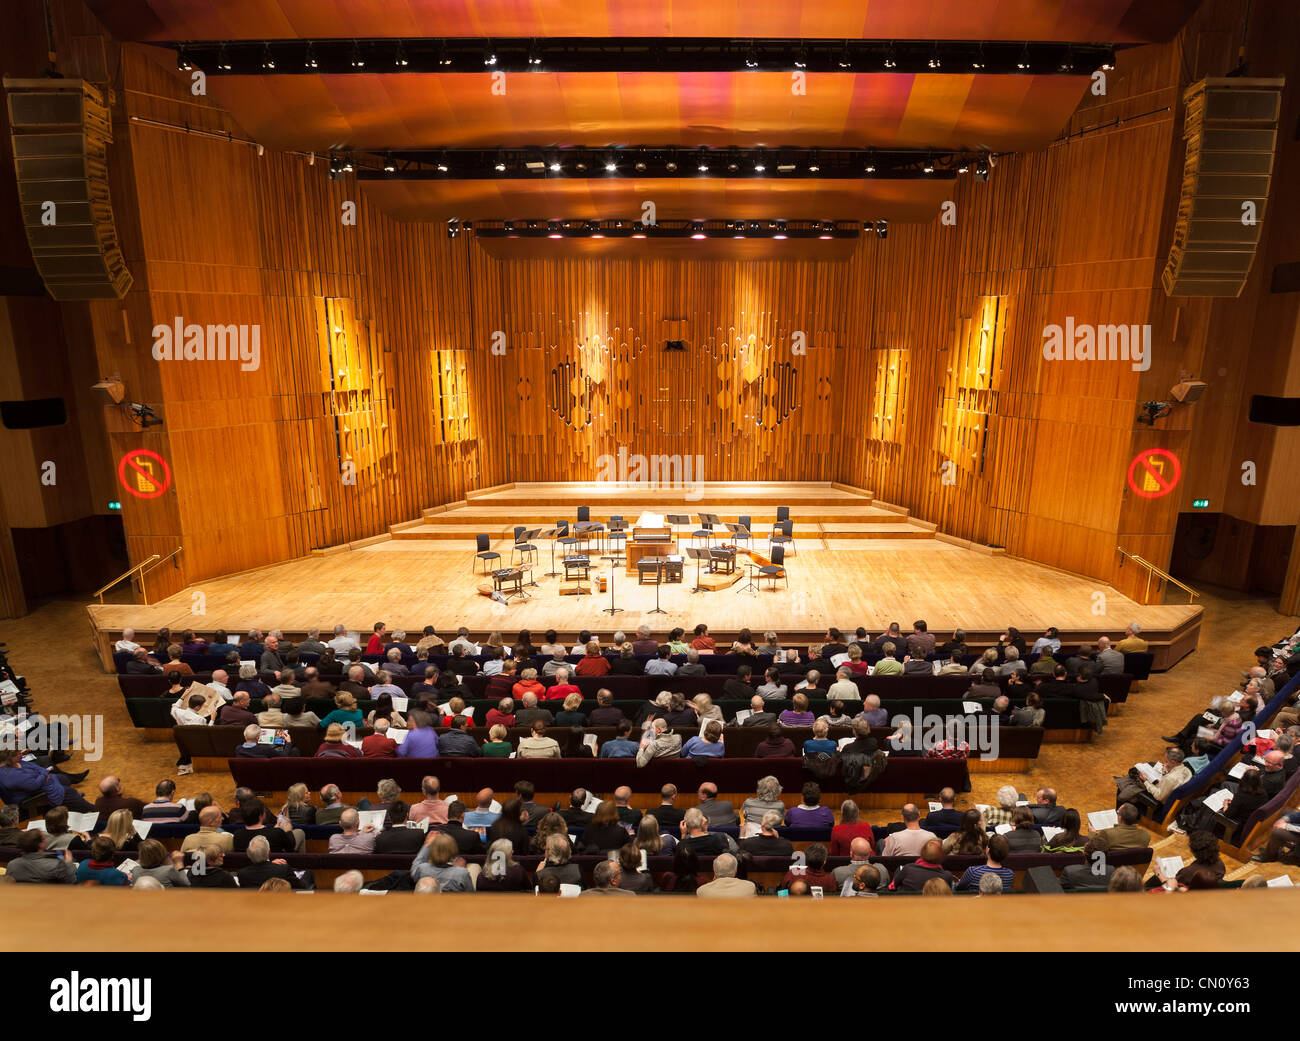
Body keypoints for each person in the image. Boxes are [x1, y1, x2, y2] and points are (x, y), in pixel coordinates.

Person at [411, 832, 476, 892]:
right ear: (453, 850)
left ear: (432, 850)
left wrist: (426, 846)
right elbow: (471, 895)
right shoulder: (461, 873)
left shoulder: (423, 869)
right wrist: (459, 870)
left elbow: (414, 869)